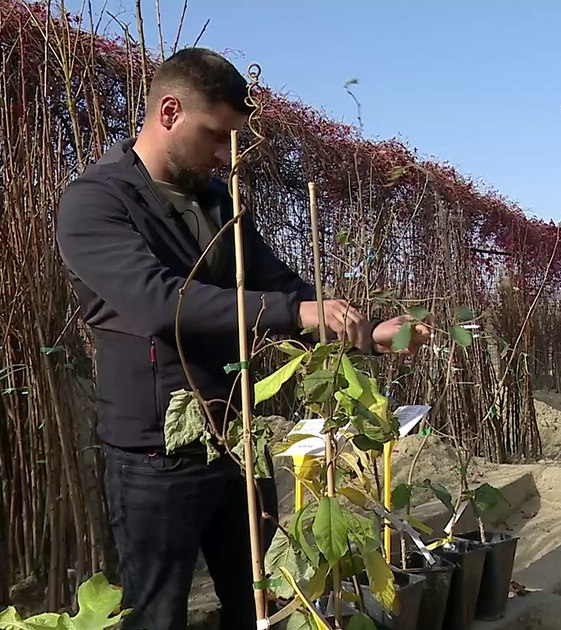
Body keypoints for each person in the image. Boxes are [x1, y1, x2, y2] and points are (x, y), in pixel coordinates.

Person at [55, 48, 431, 629]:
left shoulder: (217, 203)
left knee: (259, 603)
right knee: (157, 615)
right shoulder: (96, 202)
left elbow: (280, 285)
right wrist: (298, 312)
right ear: (170, 111)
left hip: (239, 439)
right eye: (216, 135)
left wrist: (360, 330)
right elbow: (161, 303)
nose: (226, 156)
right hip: (156, 453)